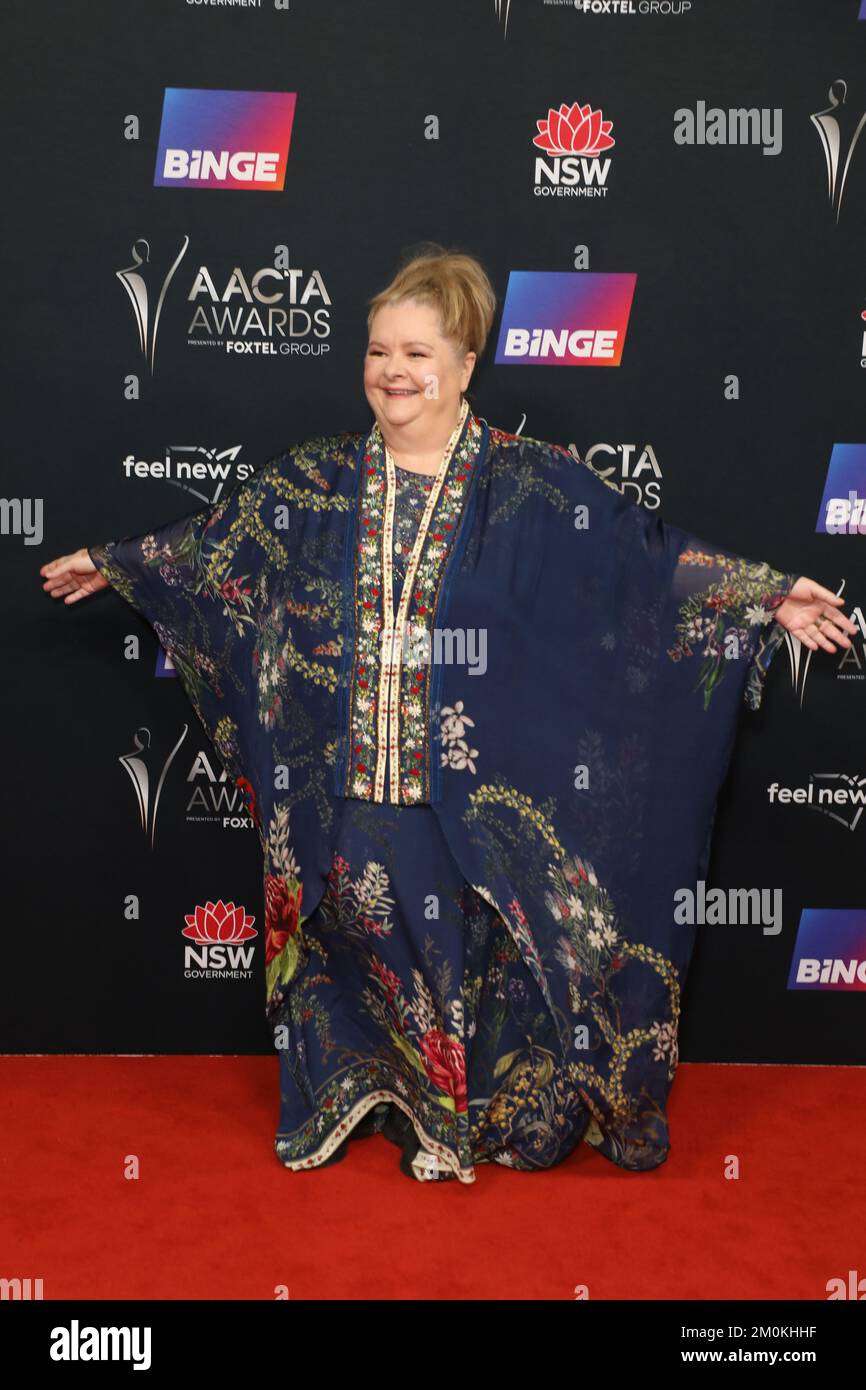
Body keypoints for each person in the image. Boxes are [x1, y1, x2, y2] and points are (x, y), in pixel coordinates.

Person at [41, 244, 856, 1185]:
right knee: (352, 941)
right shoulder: (319, 482)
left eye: (419, 353)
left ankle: (456, 1120)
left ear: (467, 366)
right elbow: (226, 544)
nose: (394, 371)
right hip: (346, 786)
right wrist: (119, 565)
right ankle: (364, 1095)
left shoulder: (530, 487)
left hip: (468, 798)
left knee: (465, 962)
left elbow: (642, 560)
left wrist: (762, 595)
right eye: (380, 349)